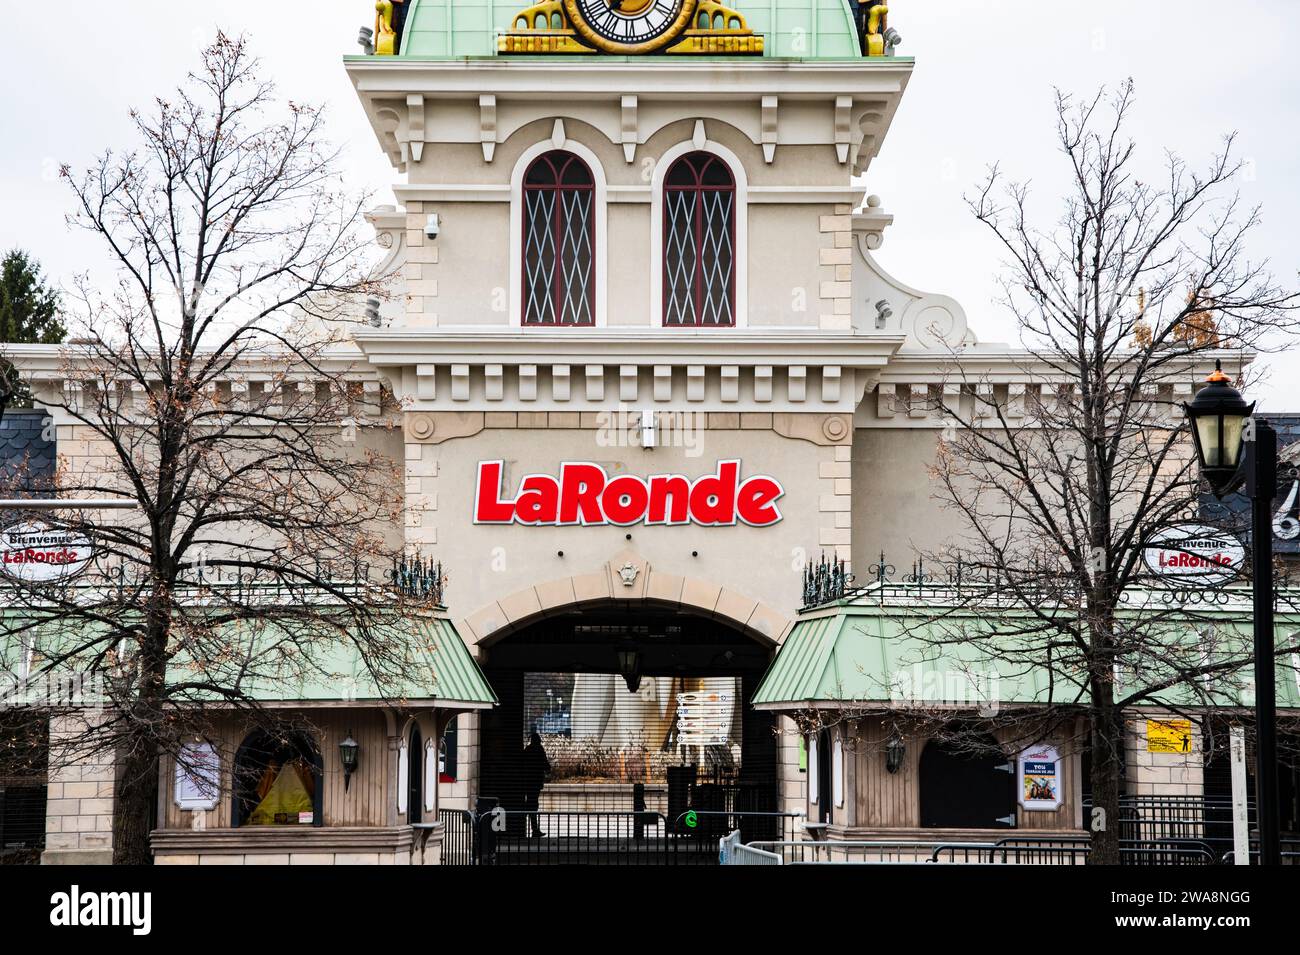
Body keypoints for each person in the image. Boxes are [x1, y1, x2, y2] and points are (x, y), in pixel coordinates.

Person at [522, 731, 550, 838]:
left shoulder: (527, 750)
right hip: (535, 782)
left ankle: (529, 828)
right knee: (532, 805)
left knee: (530, 804)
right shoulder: (539, 750)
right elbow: (546, 765)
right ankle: (535, 829)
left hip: (527, 782)